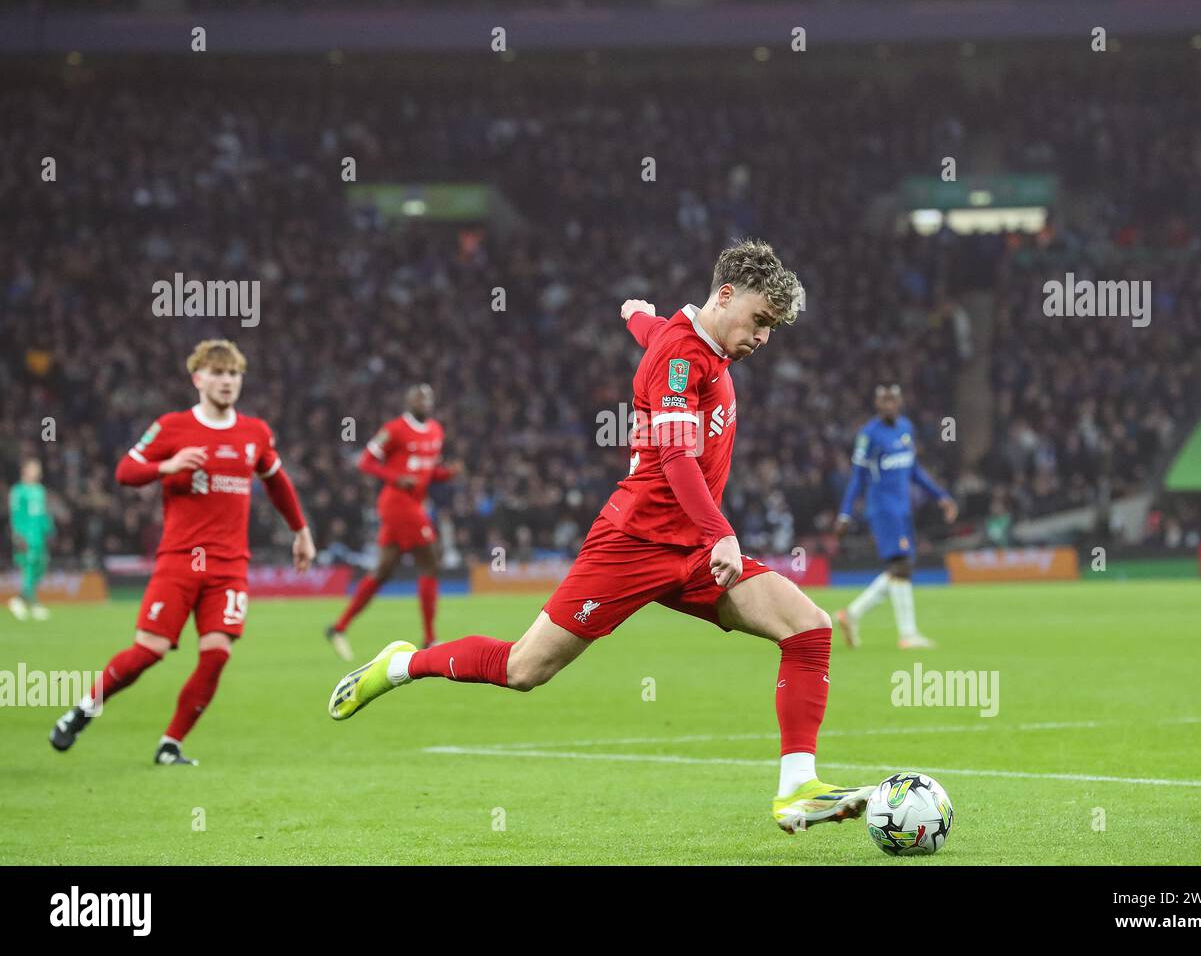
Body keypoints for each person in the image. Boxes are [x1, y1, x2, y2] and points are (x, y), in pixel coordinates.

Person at [327, 239, 874, 833]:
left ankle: (797, 789)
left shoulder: (692, 341)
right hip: (634, 543)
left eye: (772, 328)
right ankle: (403, 664)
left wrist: (633, 314)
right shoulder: (682, 357)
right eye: (761, 321)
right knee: (522, 669)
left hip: (692, 550)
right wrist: (722, 532)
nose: (764, 338)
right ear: (725, 295)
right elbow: (674, 457)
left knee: (809, 628)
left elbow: (653, 329)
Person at [49, 340, 315, 765]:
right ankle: (82, 710)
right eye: (218, 373)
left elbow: (278, 484)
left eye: (233, 374)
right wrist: (165, 467)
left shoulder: (255, 433)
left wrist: (301, 532)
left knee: (215, 656)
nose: (227, 381)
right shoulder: (172, 427)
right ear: (198, 379)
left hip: (229, 566)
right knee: (147, 653)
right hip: (179, 559)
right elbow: (125, 471)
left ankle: (170, 744)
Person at [325, 384, 461, 660]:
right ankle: (430, 638)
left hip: (413, 504)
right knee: (431, 561)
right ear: (408, 401)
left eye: (428, 398)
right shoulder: (395, 429)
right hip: (398, 503)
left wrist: (445, 474)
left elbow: (426, 471)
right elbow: (365, 462)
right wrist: (395, 478)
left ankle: (338, 627)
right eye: (418, 397)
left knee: (383, 571)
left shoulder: (436, 430)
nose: (423, 401)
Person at [834, 384, 957, 650]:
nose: (889, 405)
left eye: (893, 400)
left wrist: (941, 496)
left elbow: (914, 470)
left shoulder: (905, 428)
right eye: (884, 401)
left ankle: (852, 614)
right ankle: (907, 634)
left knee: (901, 568)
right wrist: (845, 513)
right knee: (902, 566)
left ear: (899, 402)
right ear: (877, 404)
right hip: (883, 509)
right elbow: (858, 477)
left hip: (902, 509)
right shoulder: (869, 435)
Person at [8, 458, 54, 621]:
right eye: (34, 468)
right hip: (26, 537)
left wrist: (50, 530)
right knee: (28, 570)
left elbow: (44, 514)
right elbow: (15, 515)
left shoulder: (40, 490)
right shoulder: (18, 491)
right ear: (25, 470)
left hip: (39, 537)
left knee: (39, 569)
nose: (38, 472)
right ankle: (24, 602)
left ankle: (26, 601)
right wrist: (18, 535)